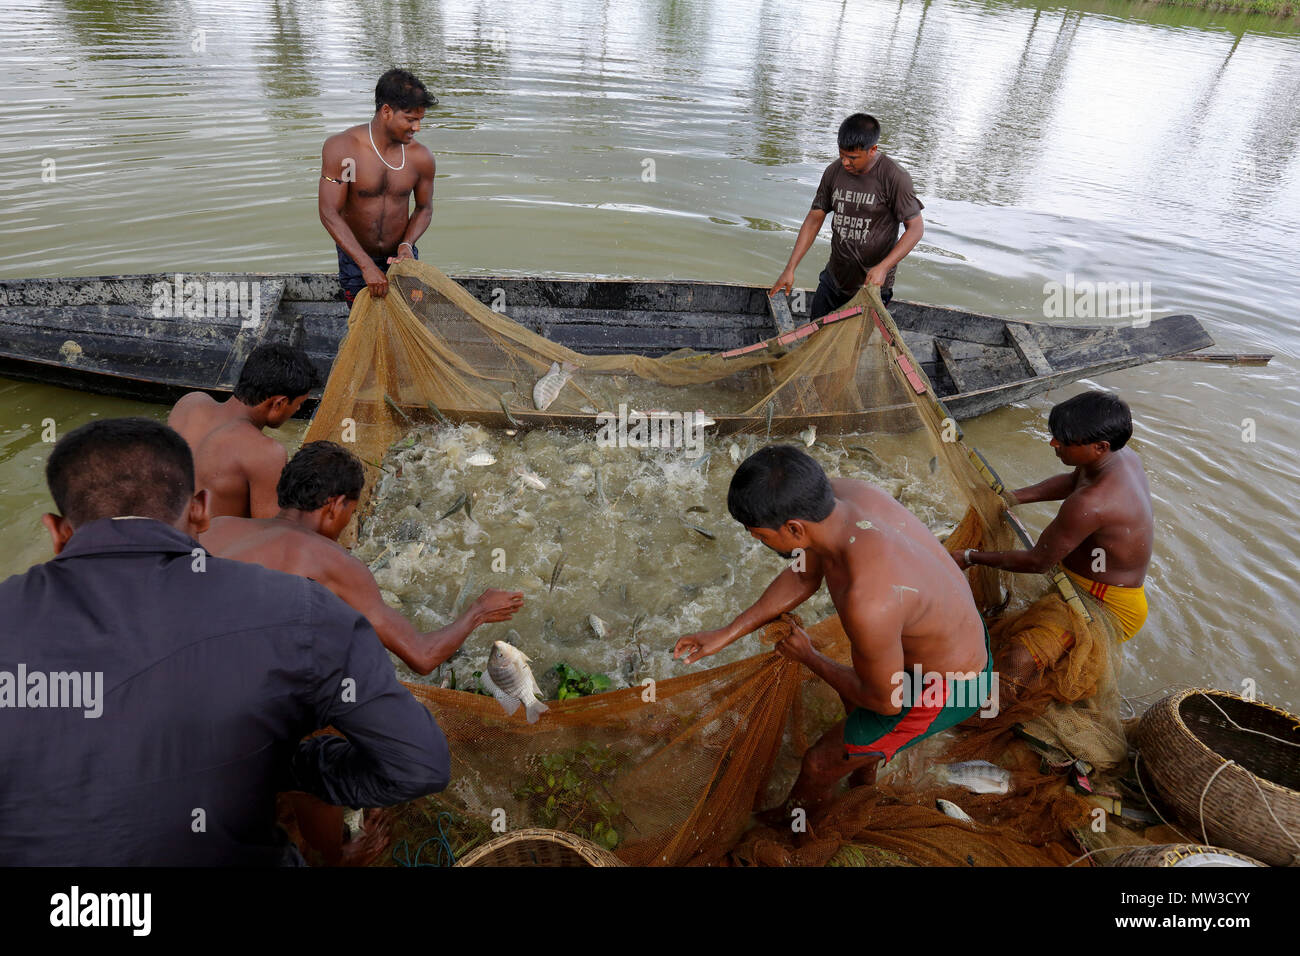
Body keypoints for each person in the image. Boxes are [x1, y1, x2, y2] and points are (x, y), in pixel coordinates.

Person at [0, 418, 450, 865]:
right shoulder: (306, 611)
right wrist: (289, 765)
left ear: (56, 531)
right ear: (200, 508)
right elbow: (419, 764)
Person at [673, 446, 989, 814]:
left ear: (793, 528)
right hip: (953, 630)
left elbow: (888, 702)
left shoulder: (870, 599)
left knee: (819, 763)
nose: (759, 543)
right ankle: (861, 773)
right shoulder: (841, 499)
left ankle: (794, 832)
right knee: (856, 715)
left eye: (760, 537)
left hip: (947, 688)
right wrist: (727, 633)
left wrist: (809, 655)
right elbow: (804, 573)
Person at [200, 440, 525, 675]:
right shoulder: (334, 563)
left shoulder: (216, 529)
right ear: (335, 505)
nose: (346, 525)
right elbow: (422, 656)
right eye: (351, 513)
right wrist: (479, 611)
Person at [951, 391, 1151, 682]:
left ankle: (989, 711)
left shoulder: (1091, 504)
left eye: (1064, 441)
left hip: (1105, 604)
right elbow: (1073, 481)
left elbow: (1037, 562)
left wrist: (970, 557)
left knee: (1018, 661)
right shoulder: (1116, 456)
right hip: (1079, 581)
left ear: (1099, 447)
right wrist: (1012, 498)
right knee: (1035, 647)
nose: (1053, 443)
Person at [770, 113, 925, 319]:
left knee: (853, 348)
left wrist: (883, 268)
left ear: (873, 150)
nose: (845, 162)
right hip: (834, 279)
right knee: (815, 334)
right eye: (841, 154)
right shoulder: (834, 172)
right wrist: (790, 268)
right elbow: (814, 218)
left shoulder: (894, 177)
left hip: (871, 287)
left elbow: (915, 229)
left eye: (852, 158)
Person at [319, 67, 437, 304]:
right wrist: (366, 265)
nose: (417, 128)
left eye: (420, 120)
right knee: (365, 319)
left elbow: (424, 208)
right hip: (356, 258)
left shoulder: (421, 157)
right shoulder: (343, 149)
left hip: (402, 257)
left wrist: (407, 244)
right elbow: (329, 212)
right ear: (386, 112)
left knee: (411, 316)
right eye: (411, 119)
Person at [168, 343, 320, 519]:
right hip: (209, 545)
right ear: (279, 404)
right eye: (298, 404)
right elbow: (268, 533)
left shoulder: (189, 404)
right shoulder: (266, 453)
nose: (298, 409)